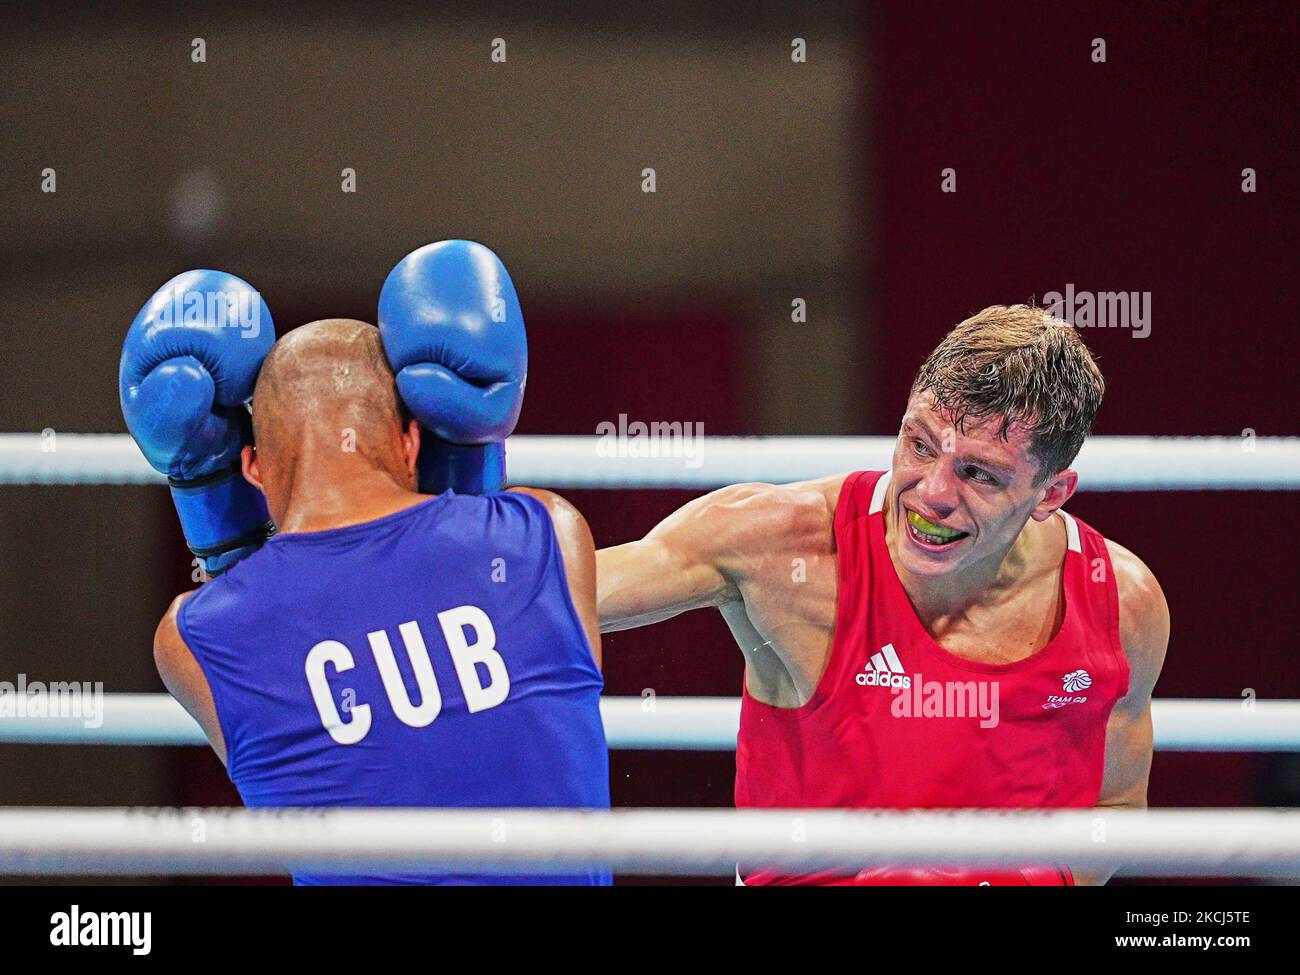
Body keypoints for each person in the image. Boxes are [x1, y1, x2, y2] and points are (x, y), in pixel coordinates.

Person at [597, 305, 1170, 885]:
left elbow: (1115, 809)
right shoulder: (782, 543)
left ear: (1051, 494)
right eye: (920, 446)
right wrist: (502, 524)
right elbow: (560, 601)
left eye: (979, 474)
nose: (932, 493)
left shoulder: (1120, 601)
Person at [124, 245, 609, 885]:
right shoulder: (548, 533)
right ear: (412, 440)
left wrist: (207, 495)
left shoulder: (191, 640)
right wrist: (466, 456)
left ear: (253, 469)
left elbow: (262, 663)